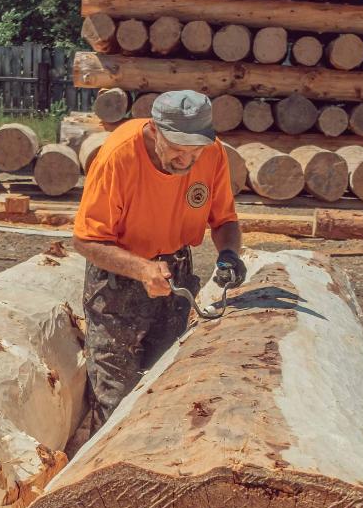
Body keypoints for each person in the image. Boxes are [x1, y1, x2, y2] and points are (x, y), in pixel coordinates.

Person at [72, 89, 245, 426]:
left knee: (166, 385)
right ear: (154, 130)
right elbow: (86, 240)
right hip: (117, 278)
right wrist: (142, 269)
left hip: (176, 273)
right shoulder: (119, 157)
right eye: (177, 151)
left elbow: (224, 220)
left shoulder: (212, 154)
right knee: (117, 398)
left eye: (194, 151)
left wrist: (228, 255)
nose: (186, 161)